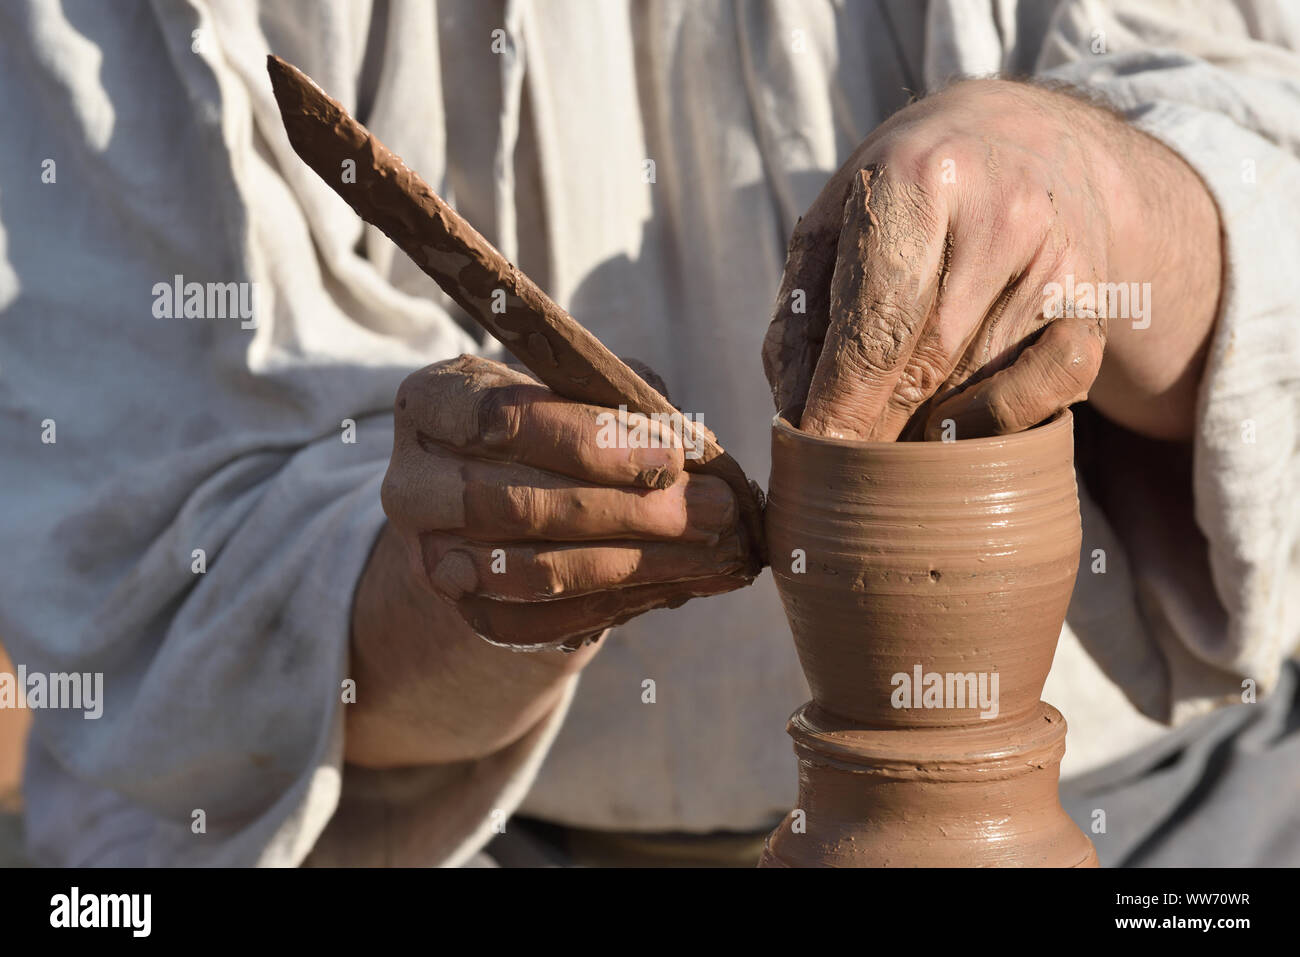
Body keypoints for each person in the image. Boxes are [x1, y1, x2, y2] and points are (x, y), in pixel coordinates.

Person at [2, 0, 1297, 867]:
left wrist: (1121, 207)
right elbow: (154, 559)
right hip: (465, 838)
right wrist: (463, 578)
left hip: (1161, 817)